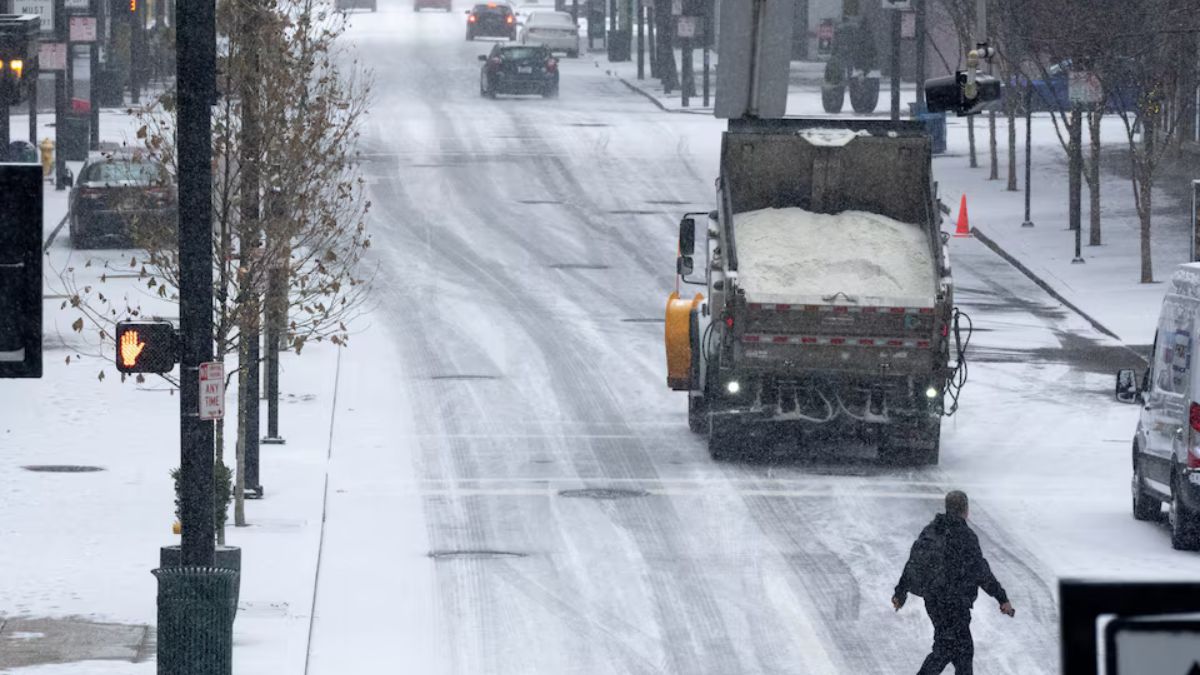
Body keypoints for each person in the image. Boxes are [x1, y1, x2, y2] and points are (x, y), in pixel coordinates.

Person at [892, 490, 1015, 675]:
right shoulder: (965, 536)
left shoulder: (931, 530)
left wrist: (900, 592)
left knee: (959, 652)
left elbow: (913, 563)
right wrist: (1002, 598)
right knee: (948, 650)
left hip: (934, 601)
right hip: (954, 604)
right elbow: (981, 572)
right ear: (966, 510)